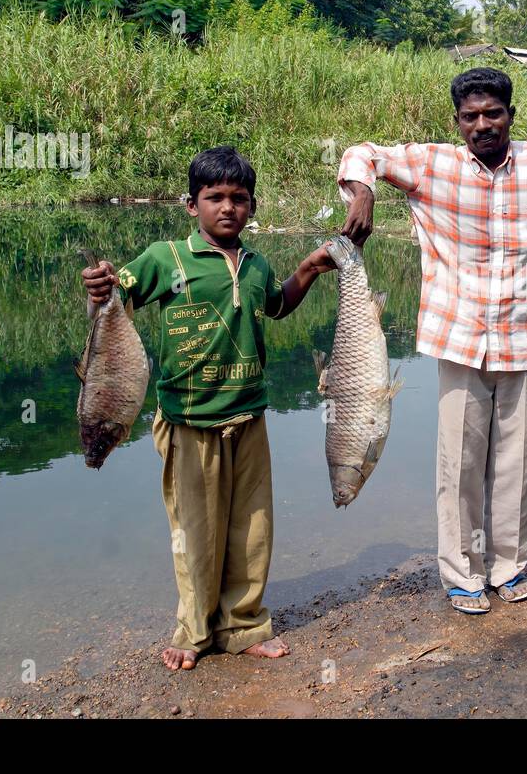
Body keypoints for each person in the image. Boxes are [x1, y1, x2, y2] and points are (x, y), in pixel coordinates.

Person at [337, 67, 527, 614]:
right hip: (460, 339)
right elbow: (360, 152)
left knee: (517, 465)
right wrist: (363, 193)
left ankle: (510, 568)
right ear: (458, 122)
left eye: (493, 113)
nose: (483, 124)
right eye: (471, 116)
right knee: (460, 465)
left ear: (510, 115)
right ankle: (464, 574)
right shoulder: (432, 165)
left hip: (524, 338)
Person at [81, 146, 336, 670]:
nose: (227, 208)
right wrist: (99, 289)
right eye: (214, 197)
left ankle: (243, 625)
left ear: (252, 205)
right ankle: (194, 630)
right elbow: (113, 305)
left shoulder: (256, 263)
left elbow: (277, 304)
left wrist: (309, 268)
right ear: (190, 205)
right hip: (189, 422)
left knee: (252, 528)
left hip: (250, 415)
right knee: (195, 532)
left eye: (238, 199)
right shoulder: (164, 258)